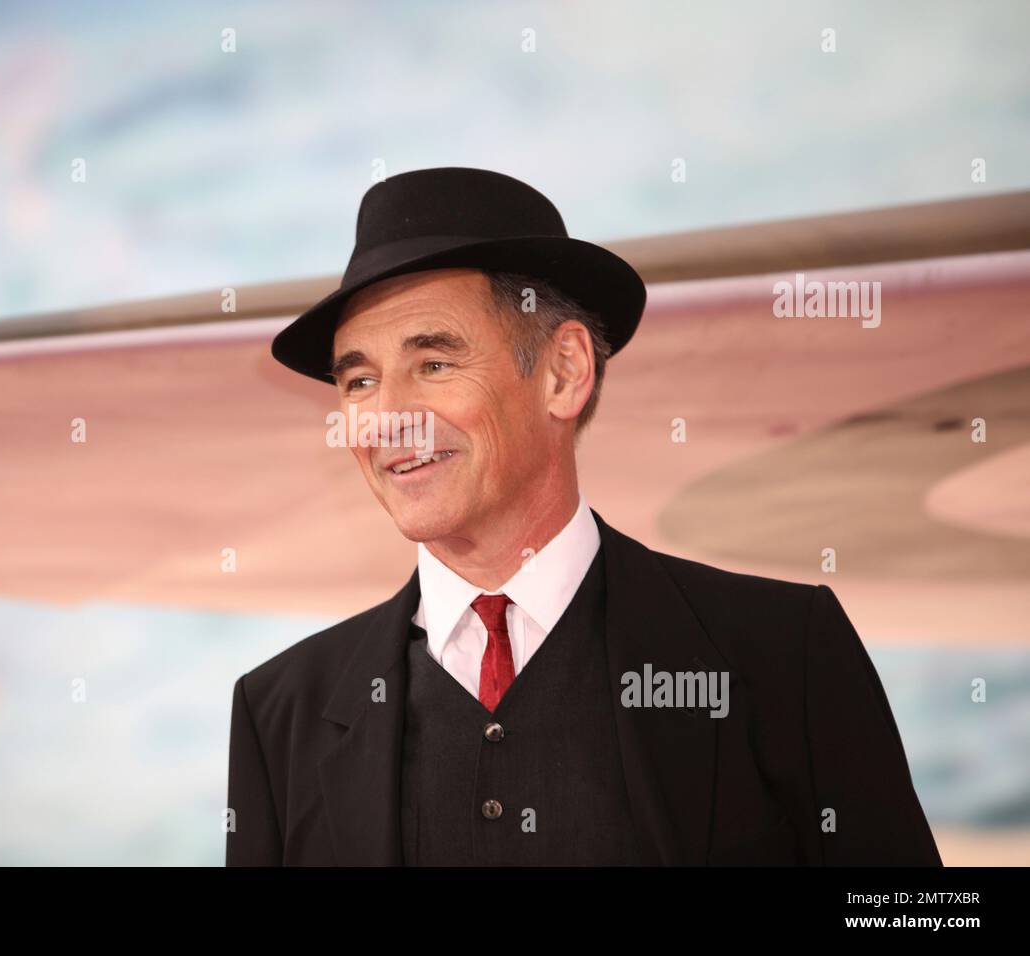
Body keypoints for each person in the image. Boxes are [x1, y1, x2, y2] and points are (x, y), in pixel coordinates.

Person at [225, 166, 941, 866]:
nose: (387, 420)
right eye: (359, 381)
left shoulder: (785, 656)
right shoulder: (280, 714)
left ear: (563, 372)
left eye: (434, 365)